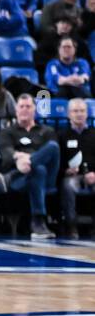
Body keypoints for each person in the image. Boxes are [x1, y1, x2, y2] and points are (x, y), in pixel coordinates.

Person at [0, 93, 60, 240]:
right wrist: (17, 157)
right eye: (21, 106)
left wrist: (27, 160)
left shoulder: (46, 131)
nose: (25, 109)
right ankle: (38, 222)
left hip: (48, 178)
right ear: (16, 110)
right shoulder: (8, 132)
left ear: (35, 110)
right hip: (20, 178)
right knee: (38, 170)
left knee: (52, 147)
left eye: (28, 106)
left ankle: (38, 222)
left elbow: (52, 155)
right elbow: (6, 153)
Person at [58, 98, 95, 238]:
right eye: (75, 111)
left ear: (87, 113)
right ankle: (71, 226)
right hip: (72, 176)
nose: (79, 114)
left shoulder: (94, 133)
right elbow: (57, 162)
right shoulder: (62, 135)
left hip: (93, 175)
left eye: (82, 111)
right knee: (68, 185)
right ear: (68, 114)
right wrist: (66, 171)